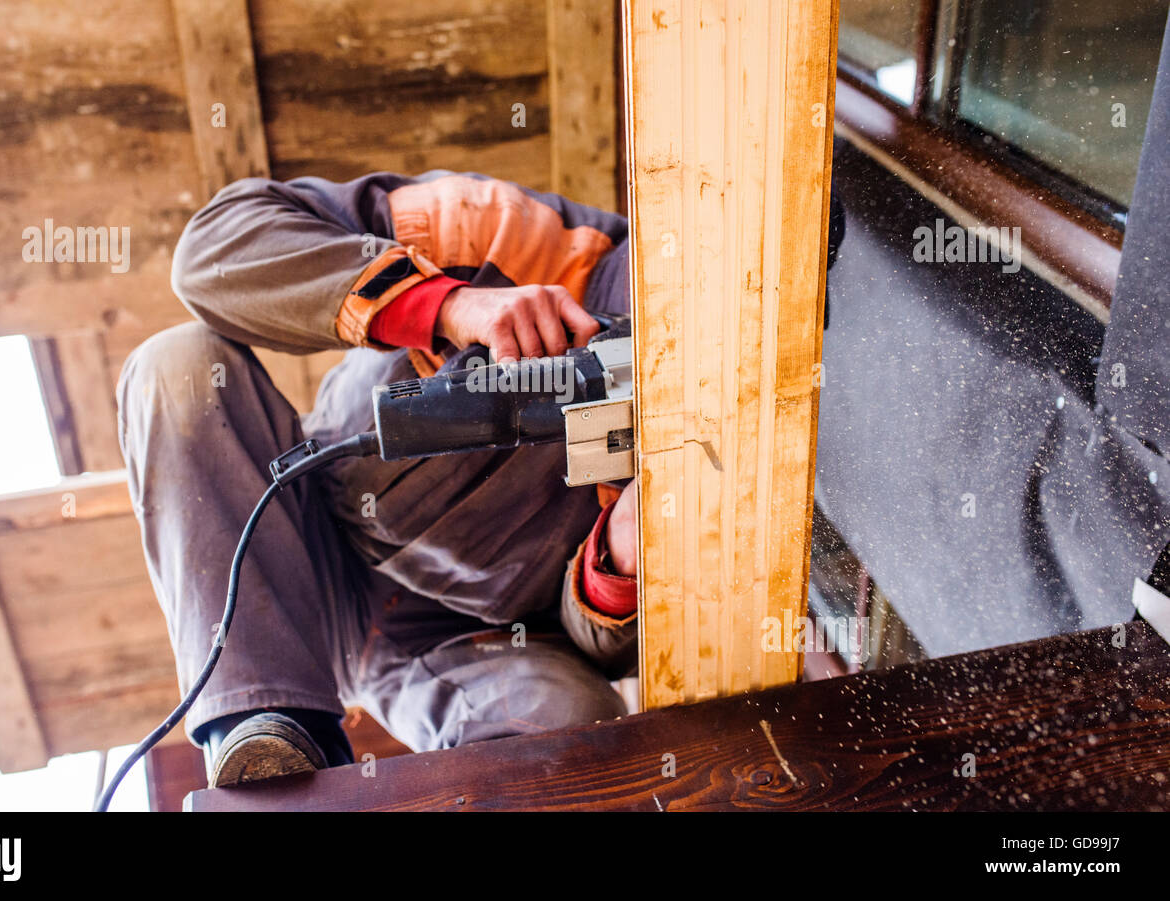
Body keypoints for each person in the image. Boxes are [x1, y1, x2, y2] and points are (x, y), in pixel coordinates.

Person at [117, 169, 841, 786]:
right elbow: (214, 249)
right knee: (176, 369)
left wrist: (619, 566)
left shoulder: (720, 445)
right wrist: (449, 305)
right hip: (312, 541)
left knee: (573, 735)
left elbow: (607, 646)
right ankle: (267, 728)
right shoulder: (502, 231)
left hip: (477, 641)